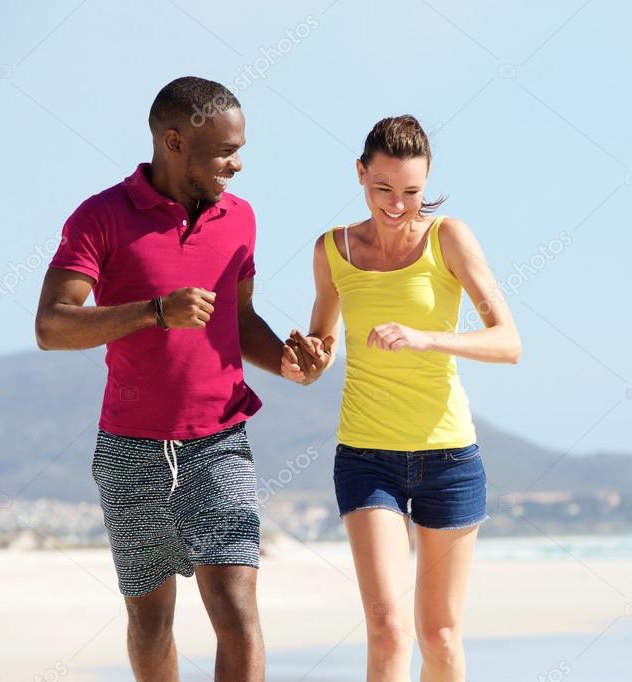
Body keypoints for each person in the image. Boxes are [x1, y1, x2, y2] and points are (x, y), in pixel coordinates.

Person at [35, 77, 302, 681]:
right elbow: (52, 325)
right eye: (225, 151)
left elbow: (237, 318)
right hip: (130, 448)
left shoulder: (241, 218)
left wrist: (288, 360)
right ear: (174, 140)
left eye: (240, 149)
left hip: (220, 440)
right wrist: (154, 313)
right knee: (150, 623)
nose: (237, 164)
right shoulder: (101, 216)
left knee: (237, 612)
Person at [282, 115, 521, 681]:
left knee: (439, 636)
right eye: (382, 188)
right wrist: (306, 363)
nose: (396, 203)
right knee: (389, 628)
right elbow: (324, 342)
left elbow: (508, 342)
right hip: (367, 457)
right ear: (360, 174)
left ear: (427, 182)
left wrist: (428, 338)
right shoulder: (332, 250)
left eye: (411, 191)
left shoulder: (449, 239)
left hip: (449, 459)